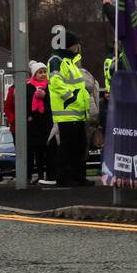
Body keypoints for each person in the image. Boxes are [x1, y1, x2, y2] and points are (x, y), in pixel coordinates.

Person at [49, 30, 91, 185]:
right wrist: (71, 98)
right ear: (69, 45)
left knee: (79, 147)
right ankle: (64, 178)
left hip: (77, 113)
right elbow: (55, 83)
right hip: (67, 113)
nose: (77, 47)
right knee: (67, 148)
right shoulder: (56, 60)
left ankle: (78, 177)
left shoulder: (69, 62)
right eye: (75, 44)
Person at [27, 61, 54, 182]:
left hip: (48, 122)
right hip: (34, 125)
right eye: (40, 72)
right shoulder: (29, 87)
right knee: (37, 152)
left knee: (49, 152)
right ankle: (39, 175)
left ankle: (50, 175)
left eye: (44, 72)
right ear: (34, 74)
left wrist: (45, 96)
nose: (43, 75)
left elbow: (54, 103)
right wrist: (29, 115)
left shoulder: (50, 86)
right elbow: (26, 103)